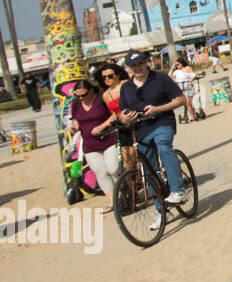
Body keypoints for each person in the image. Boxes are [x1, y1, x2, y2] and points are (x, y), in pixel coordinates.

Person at [118, 50, 189, 231]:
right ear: (128, 68)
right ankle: (162, 211)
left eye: (141, 63)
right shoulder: (126, 87)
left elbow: (181, 99)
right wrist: (125, 118)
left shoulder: (160, 79)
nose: (138, 68)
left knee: (163, 146)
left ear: (146, 62)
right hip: (141, 130)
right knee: (148, 169)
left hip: (162, 122)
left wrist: (158, 109)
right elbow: (122, 112)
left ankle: (177, 189)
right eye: (134, 66)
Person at [67, 76, 120, 197]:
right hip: (89, 145)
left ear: (91, 90)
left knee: (113, 169)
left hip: (109, 140)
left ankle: (127, 189)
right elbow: (76, 120)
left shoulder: (101, 98)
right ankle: (113, 201)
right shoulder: (76, 104)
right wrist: (74, 127)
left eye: (83, 95)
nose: (81, 98)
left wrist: (102, 126)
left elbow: (115, 114)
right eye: (77, 96)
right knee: (100, 173)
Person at [170, 58, 199, 123]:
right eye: (176, 65)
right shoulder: (177, 71)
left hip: (188, 86)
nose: (177, 66)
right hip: (180, 87)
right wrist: (172, 67)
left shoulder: (187, 68)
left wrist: (191, 80)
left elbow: (193, 75)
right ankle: (193, 117)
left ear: (181, 63)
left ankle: (193, 116)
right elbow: (169, 76)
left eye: (178, 64)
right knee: (187, 103)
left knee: (189, 103)